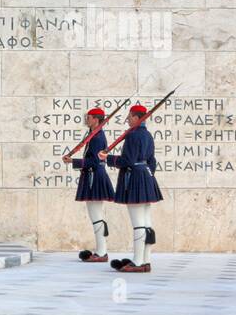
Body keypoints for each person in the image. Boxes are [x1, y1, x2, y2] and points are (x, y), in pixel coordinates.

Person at [107, 104, 163, 274]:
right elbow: (152, 161)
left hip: (136, 178)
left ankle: (138, 262)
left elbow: (127, 161)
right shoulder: (147, 135)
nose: (128, 119)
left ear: (138, 118)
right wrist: (146, 174)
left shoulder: (132, 136)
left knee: (138, 224)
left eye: (130, 116)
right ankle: (146, 261)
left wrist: (108, 158)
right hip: (146, 176)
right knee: (146, 223)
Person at [62, 107, 115, 263]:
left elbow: (97, 160)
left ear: (96, 120)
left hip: (95, 176)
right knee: (95, 215)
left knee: (96, 215)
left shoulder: (98, 137)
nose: (86, 120)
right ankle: (100, 250)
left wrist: (74, 161)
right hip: (92, 174)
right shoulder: (93, 135)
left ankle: (101, 252)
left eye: (89, 117)